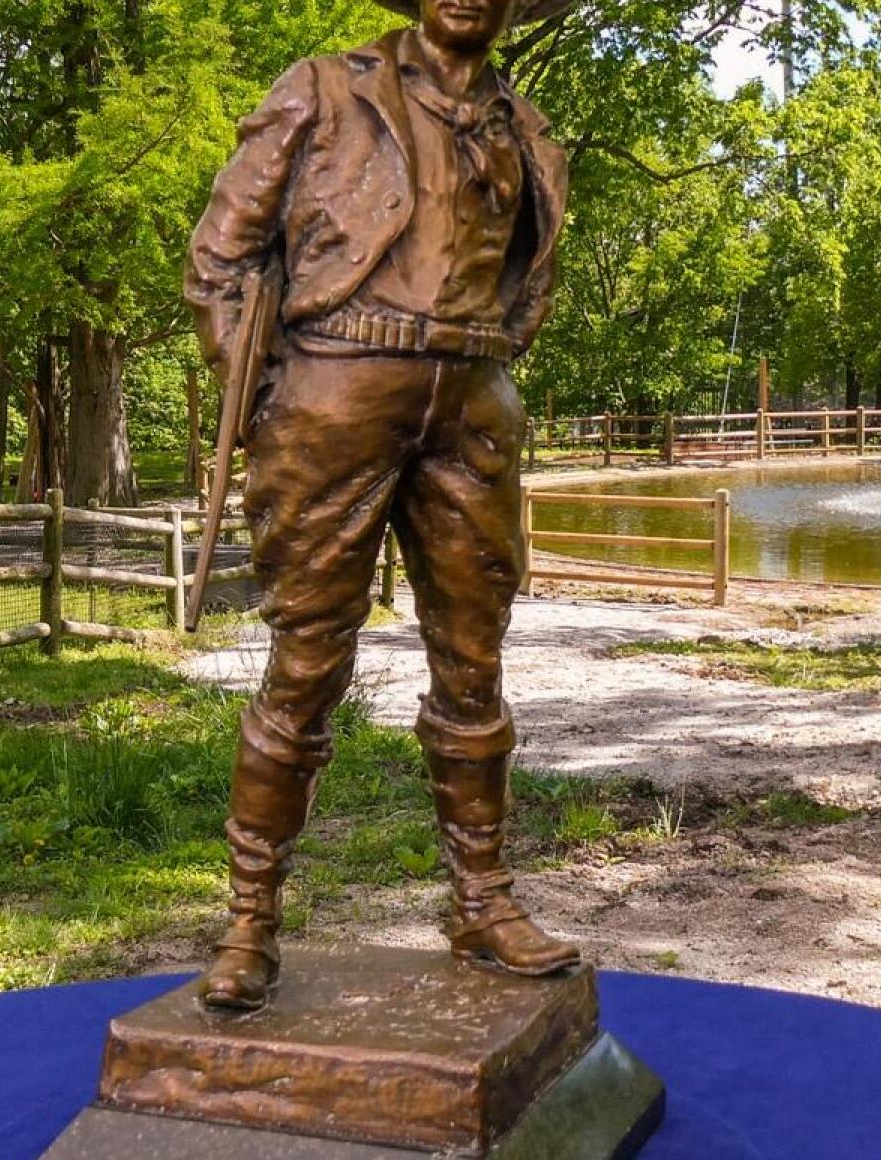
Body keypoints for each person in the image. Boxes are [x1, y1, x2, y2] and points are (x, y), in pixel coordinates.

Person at [181, 0, 580, 1012]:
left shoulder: (526, 131)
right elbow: (221, 257)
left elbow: (529, 280)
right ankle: (249, 918)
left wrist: (485, 359)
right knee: (308, 658)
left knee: (475, 659)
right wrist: (268, 389)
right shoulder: (322, 88)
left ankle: (482, 897)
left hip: (473, 399)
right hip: (335, 390)